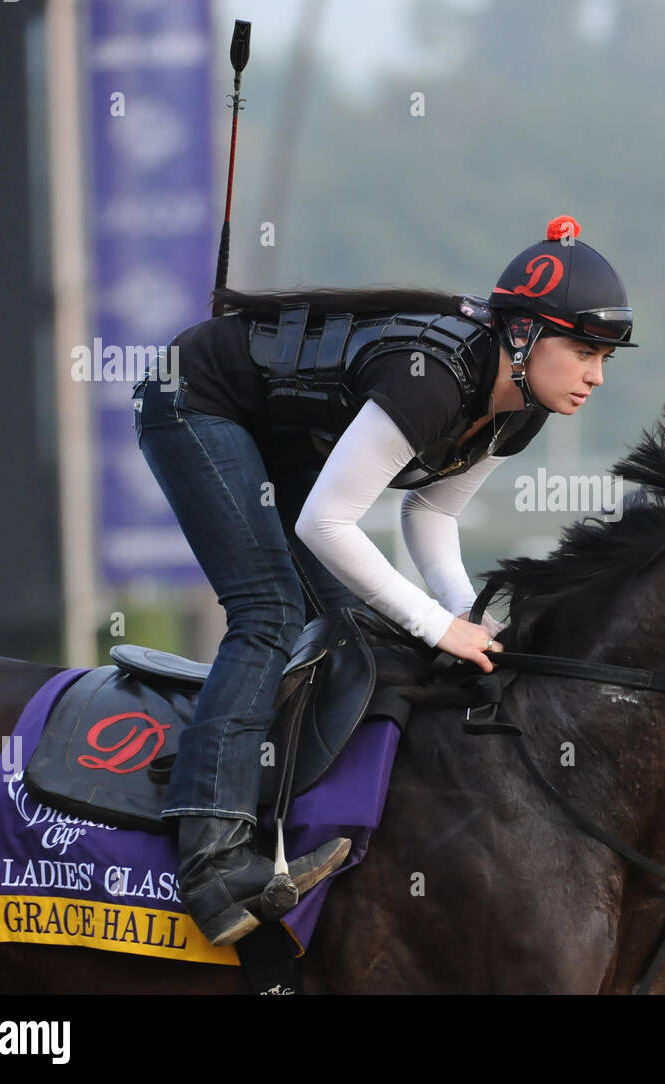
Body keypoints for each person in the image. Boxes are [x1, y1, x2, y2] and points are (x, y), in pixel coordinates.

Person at [131, 215, 636, 945]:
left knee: (351, 633)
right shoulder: (433, 380)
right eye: (585, 350)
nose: (596, 375)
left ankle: (265, 797)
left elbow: (430, 514)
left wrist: (473, 621)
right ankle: (211, 860)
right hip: (198, 400)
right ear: (522, 337)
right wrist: (437, 626)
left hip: (276, 434)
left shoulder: (519, 411)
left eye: (606, 358)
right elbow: (325, 525)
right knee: (269, 613)